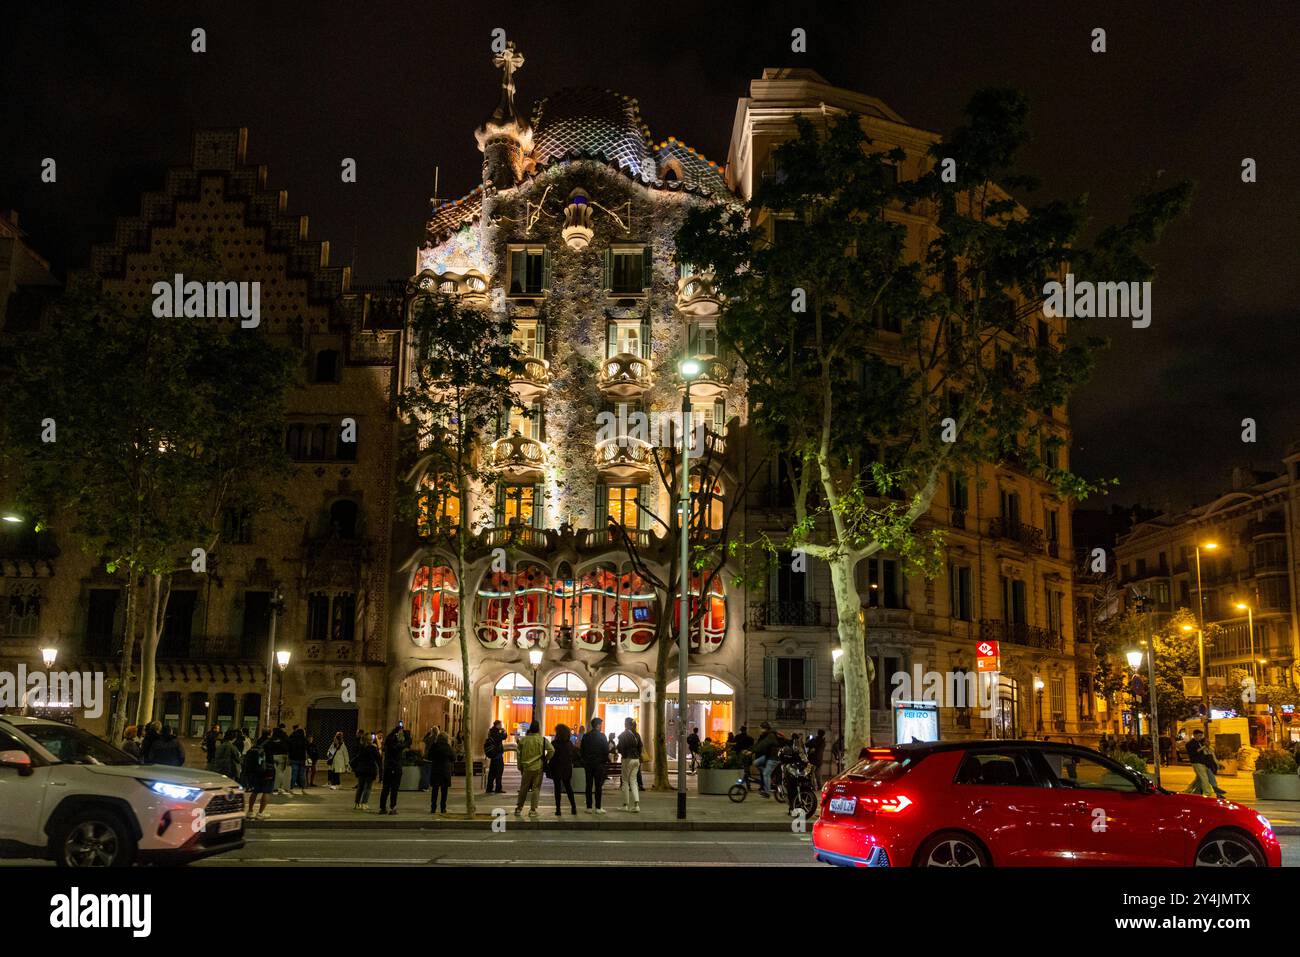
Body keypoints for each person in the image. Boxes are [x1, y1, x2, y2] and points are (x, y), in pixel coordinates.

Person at [515, 721, 553, 818]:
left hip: (526, 767)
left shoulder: (524, 740)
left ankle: (519, 808)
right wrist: (546, 758)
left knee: (524, 787)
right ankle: (532, 810)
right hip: (538, 767)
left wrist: (519, 765)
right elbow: (551, 750)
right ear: (538, 729)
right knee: (536, 788)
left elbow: (518, 753)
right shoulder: (542, 740)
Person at [580, 717, 610, 813]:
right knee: (598, 786)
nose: (601, 726)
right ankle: (598, 807)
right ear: (597, 725)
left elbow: (582, 750)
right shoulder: (602, 736)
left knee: (588, 785)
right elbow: (606, 750)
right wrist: (603, 761)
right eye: (600, 724)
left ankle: (589, 807)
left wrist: (585, 761)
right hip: (599, 765)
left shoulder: (586, 736)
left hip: (588, 764)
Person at [1185, 729, 1226, 798]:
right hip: (1197, 763)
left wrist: (1218, 763)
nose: (1201, 737)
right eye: (1199, 735)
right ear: (1194, 735)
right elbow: (1195, 752)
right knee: (1204, 778)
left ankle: (1191, 791)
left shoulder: (1202, 742)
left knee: (1199, 779)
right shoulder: (1190, 744)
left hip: (1205, 763)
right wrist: (1204, 746)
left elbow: (1211, 753)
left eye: (1201, 736)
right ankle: (1207, 793)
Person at [242, 732, 274, 819]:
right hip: (268, 770)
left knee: (255, 791)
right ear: (269, 734)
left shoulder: (258, 743)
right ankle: (260, 813)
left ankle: (250, 811)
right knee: (266, 791)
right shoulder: (271, 743)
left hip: (256, 770)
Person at [549, 723, 579, 816]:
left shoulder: (554, 743)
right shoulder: (569, 744)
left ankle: (558, 809)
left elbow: (552, 756)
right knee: (568, 787)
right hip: (567, 768)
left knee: (557, 788)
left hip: (556, 768)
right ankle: (573, 807)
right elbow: (574, 756)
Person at [617, 717, 643, 812]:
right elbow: (640, 747)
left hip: (627, 759)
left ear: (627, 724)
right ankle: (636, 805)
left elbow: (620, 748)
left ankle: (625, 804)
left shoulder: (623, 735)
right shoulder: (637, 735)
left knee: (625, 781)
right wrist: (638, 755)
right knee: (634, 781)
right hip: (636, 759)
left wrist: (623, 753)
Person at [379, 724, 406, 815]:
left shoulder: (388, 742)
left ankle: (382, 808)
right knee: (394, 789)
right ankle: (393, 807)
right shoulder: (397, 744)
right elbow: (407, 742)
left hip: (387, 767)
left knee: (385, 788)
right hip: (395, 768)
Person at [351, 732, 381, 810]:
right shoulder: (373, 748)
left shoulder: (361, 748)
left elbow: (357, 757)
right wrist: (381, 770)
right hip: (370, 770)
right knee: (368, 788)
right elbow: (378, 759)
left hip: (361, 769)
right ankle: (364, 803)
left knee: (360, 787)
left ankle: (356, 803)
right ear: (370, 740)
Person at [750, 722, 781, 798]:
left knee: (766, 774)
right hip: (768, 756)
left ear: (765, 728)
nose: (759, 730)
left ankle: (767, 792)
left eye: (760, 728)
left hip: (773, 758)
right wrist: (749, 749)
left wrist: (752, 751)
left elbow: (763, 744)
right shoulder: (765, 735)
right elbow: (758, 744)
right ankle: (767, 774)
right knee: (756, 763)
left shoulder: (771, 736)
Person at [427, 731, 455, 814]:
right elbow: (454, 758)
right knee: (444, 791)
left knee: (435, 790)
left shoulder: (434, 746)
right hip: (445, 771)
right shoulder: (448, 747)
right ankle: (443, 808)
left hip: (436, 770)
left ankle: (433, 807)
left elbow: (429, 757)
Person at [484, 720, 507, 794]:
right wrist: (504, 731)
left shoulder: (491, 731)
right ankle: (498, 788)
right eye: (500, 725)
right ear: (497, 725)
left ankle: (489, 788)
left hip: (494, 755)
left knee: (492, 772)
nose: (501, 726)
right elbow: (503, 737)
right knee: (498, 772)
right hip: (497, 755)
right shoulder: (495, 732)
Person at [268, 726, 290, 794]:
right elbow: (288, 746)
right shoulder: (284, 738)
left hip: (274, 756)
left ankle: (273, 786)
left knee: (274, 772)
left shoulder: (272, 738)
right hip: (282, 756)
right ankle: (279, 787)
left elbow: (269, 747)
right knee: (280, 772)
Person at [288, 726, 308, 796]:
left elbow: (289, 748)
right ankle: (303, 789)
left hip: (294, 759)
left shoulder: (292, 738)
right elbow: (307, 747)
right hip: (302, 759)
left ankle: (291, 788)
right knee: (302, 775)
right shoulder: (304, 739)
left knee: (294, 774)